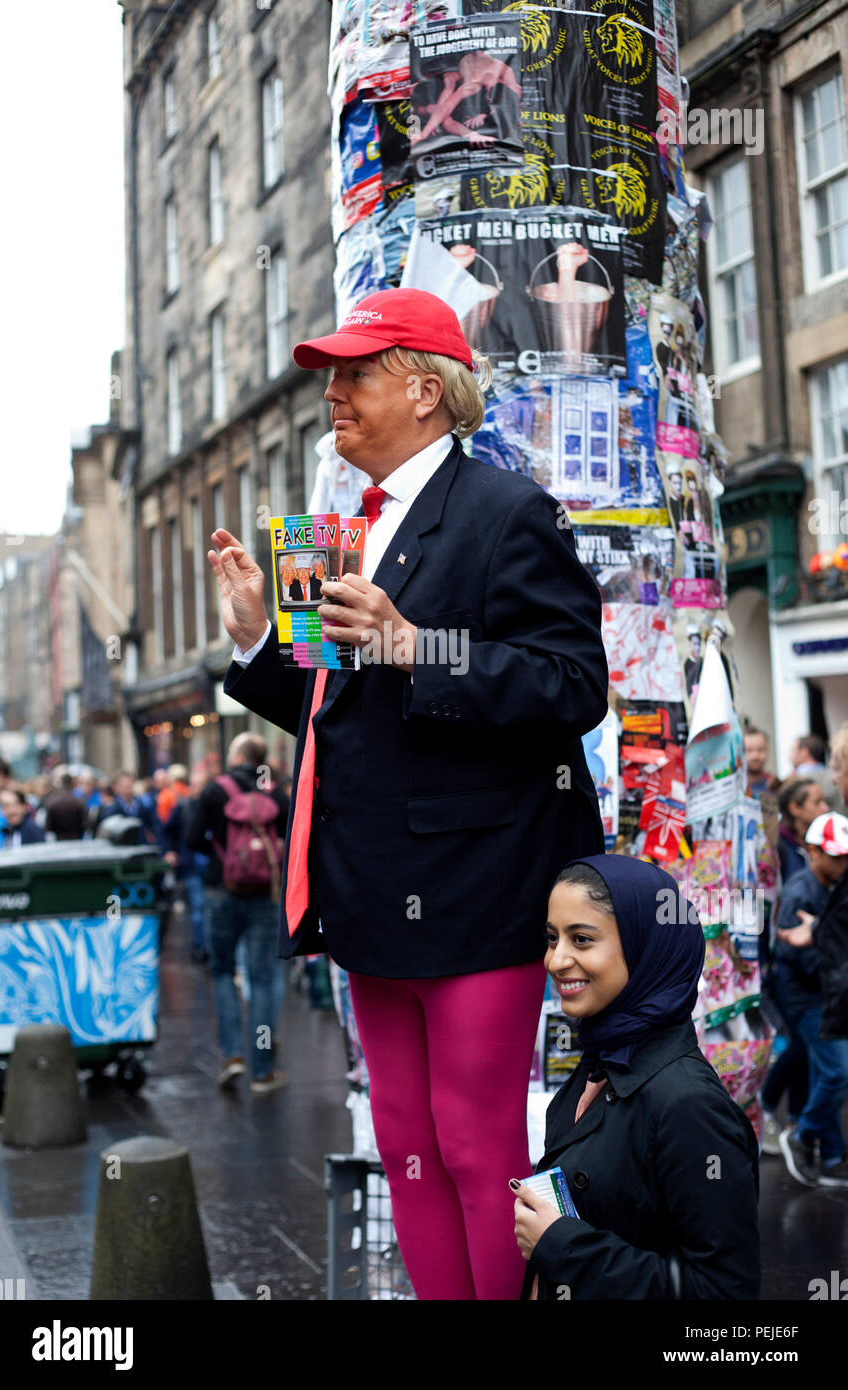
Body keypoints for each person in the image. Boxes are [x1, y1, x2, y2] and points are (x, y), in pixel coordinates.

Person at [209, 286, 609, 1300]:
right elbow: (331, 707)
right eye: (330, 377)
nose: (331, 395)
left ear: (426, 391)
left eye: (354, 374)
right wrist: (258, 637)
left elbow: (572, 684)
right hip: (368, 884)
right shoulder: (347, 523)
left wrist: (410, 642)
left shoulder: (507, 510)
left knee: (476, 1145)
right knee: (406, 1145)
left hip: (477, 885)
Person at [513, 856, 760, 1300]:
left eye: (582, 940)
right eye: (552, 939)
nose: (556, 959)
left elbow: (723, 1291)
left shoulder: (688, 1105)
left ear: (648, 947)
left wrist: (563, 1248)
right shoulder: (599, 1064)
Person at [186, 733, 289, 1094]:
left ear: (237, 755)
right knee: (262, 980)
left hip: (221, 890)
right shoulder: (275, 792)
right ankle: (263, 1071)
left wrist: (221, 852)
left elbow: (192, 838)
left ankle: (232, 1056)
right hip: (265, 894)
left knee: (222, 972)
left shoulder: (215, 790)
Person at [775, 813, 848, 1186]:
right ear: (813, 851)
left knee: (827, 1072)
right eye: (835, 855)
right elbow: (796, 957)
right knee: (837, 1072)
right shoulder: (801, 891)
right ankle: (802, 1135)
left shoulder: (836, 884)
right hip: (807, 997)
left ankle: (833, 1155)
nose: (842, 862)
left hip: (828, 994)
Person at [162, 765, 211, 963]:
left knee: (207, 908)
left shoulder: (211, 804)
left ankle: (207, 945)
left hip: (209, 866)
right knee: (199, 907)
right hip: (192, 864)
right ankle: (202, 947)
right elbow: (168, 830)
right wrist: (171, 851)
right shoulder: (183, 805)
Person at [777, 778, 828, 882]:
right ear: (795, 808)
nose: (825, 808)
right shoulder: (776, 847)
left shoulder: (819, 839)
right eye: (817, 802)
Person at [790, 732, 841, 810]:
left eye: (793, 751)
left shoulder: (795, 779)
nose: (790, 756)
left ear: (804, 752)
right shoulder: (835, 774)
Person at [44, 772, 89, 841]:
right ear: (72, 784)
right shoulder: (79, 802)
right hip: (76, 839)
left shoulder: (52, 801)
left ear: (61, 783)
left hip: (59, 839)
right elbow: (85, 824)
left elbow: (48, 826)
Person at [745, 726, 778, 799]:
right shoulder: (733, 789)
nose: (755, 756)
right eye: (749, 750)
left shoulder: (775, 787)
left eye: (760, 750)